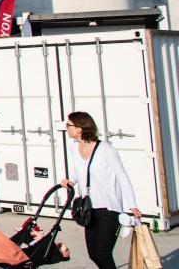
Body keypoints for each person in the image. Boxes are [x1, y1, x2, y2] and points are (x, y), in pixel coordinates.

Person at [60, 111, 141, 269]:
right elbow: (79, 170)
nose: (66, 128)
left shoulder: (105, 149)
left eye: (68, 125)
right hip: (89, 208)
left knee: (103, 253)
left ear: (79, 128)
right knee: (93, 254)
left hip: (109, 208)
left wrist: (132, 205)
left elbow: (122, 176)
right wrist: (71, 181)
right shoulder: (74, 147)